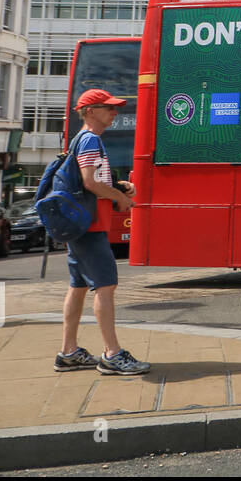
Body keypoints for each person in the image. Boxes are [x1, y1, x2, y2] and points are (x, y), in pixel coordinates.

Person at [56, 89, 148, 375]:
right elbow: (89, 182)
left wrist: (117, 187)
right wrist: (120, 199)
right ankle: (112, 354)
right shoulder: (91, 140)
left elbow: (93, 181)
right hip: (92, 227)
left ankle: (68, 352)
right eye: (108, 108)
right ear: (91, 111)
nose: (114, 113)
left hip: (80, 226)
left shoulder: (79, 140)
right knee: (105, 287)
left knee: (78, 286)